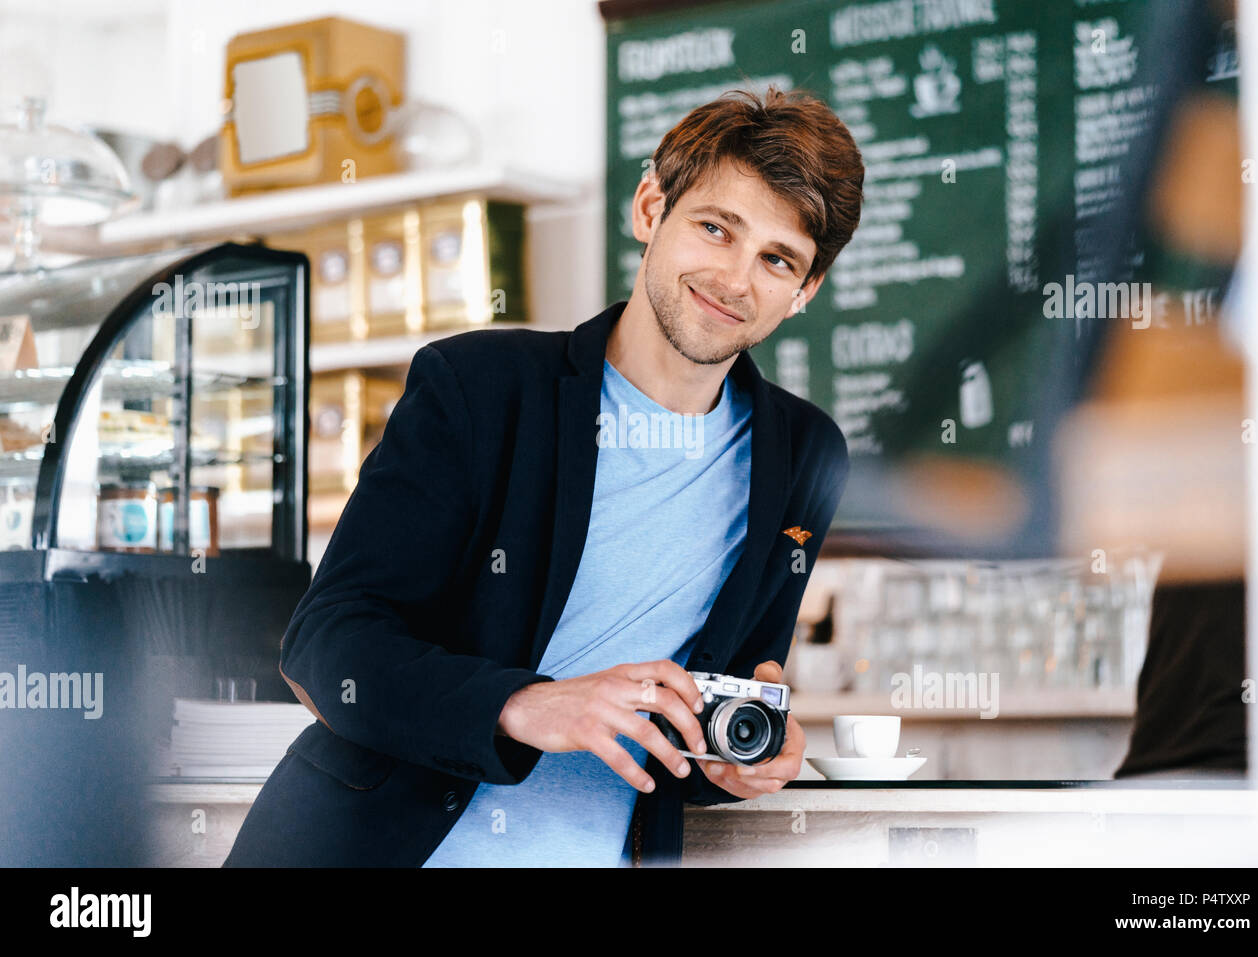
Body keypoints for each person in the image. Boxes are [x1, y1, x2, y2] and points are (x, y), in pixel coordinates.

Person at [224, 85, 863, 867]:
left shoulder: (805, 454)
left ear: (806, 291)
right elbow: (326, 644)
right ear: (650, 208)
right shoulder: (480, 388)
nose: (735, 278)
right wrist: (525, 703)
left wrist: (749, 758)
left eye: (776, 259)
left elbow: (717, 703)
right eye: (714, 228)